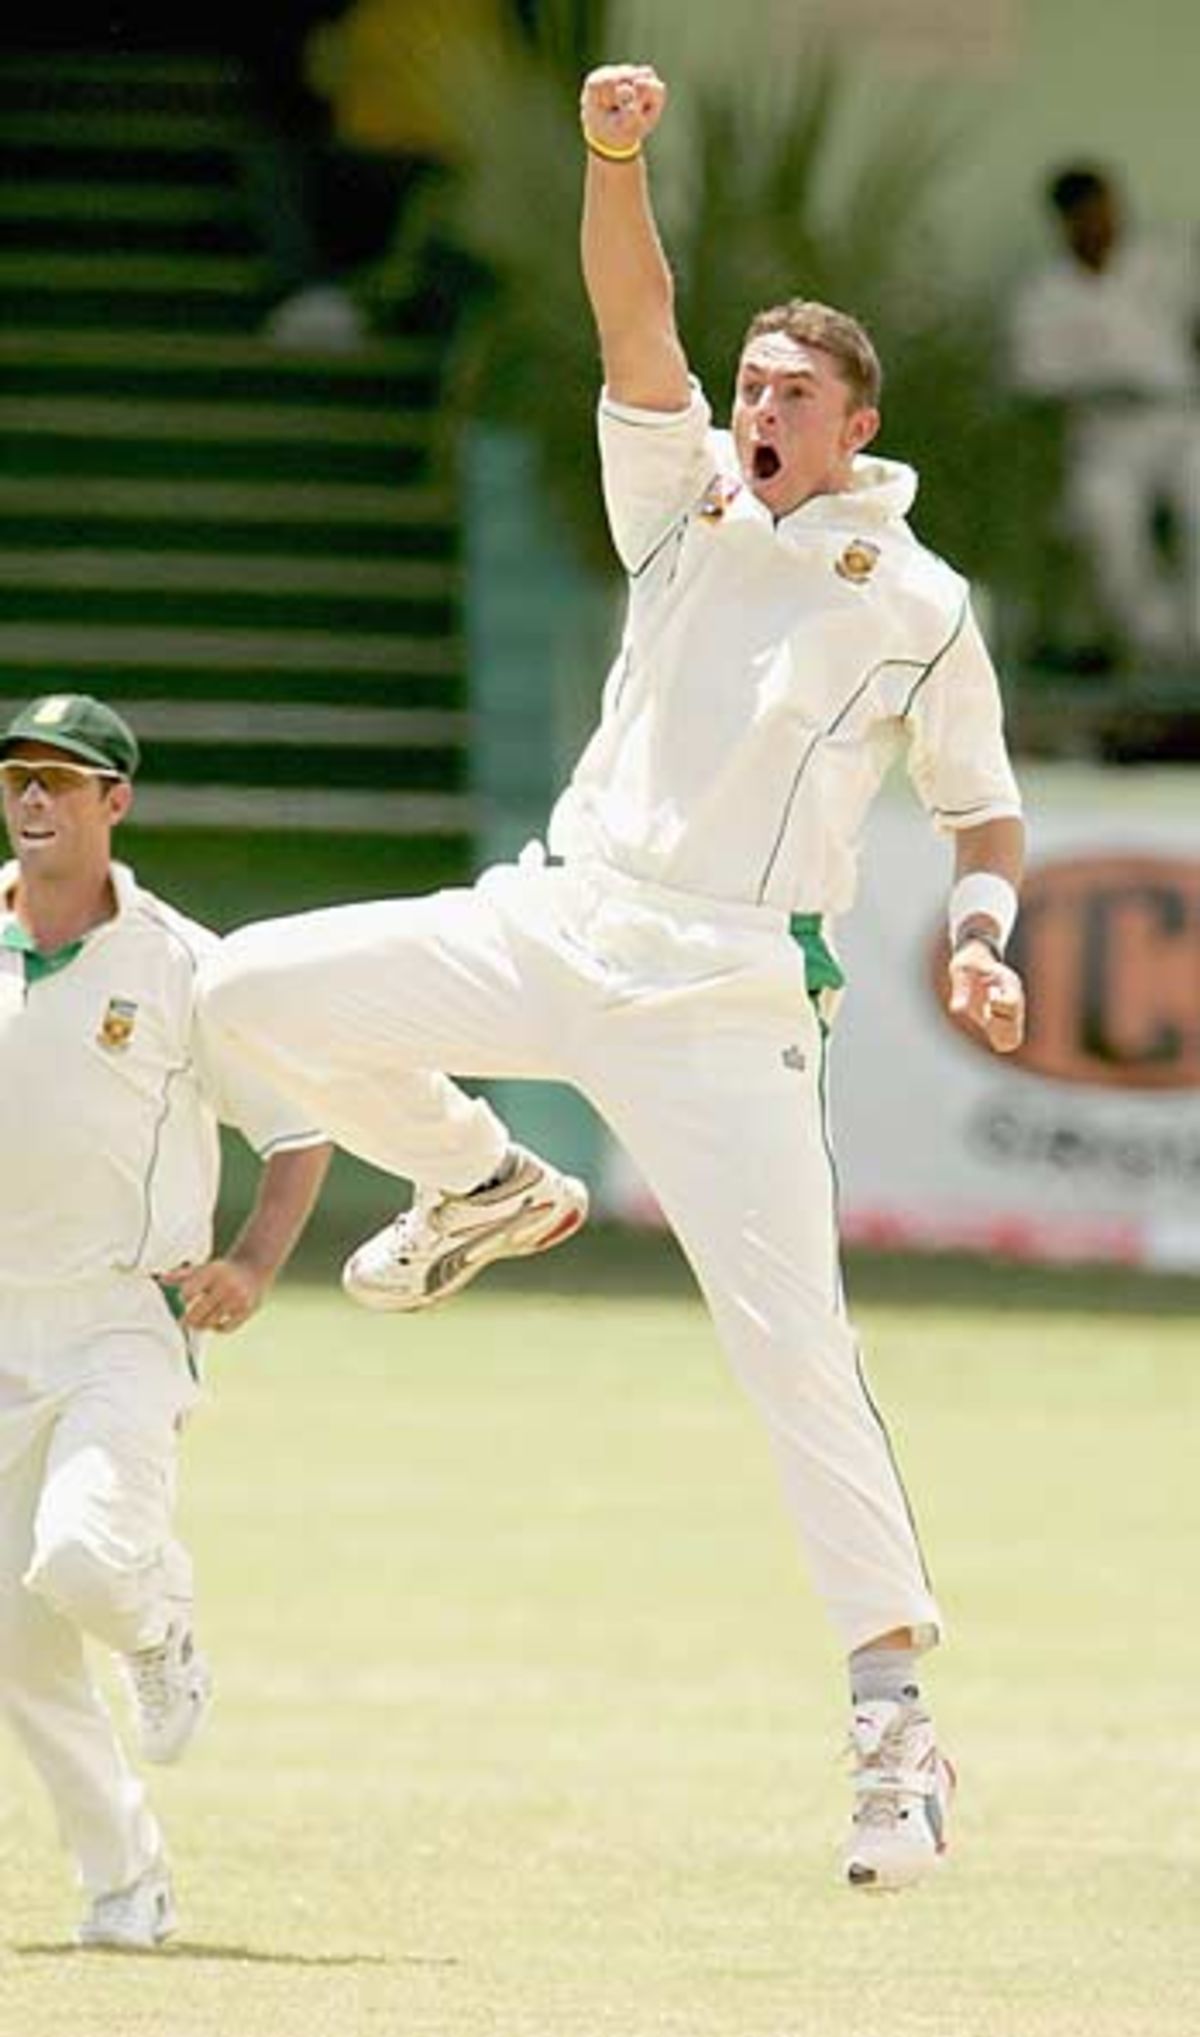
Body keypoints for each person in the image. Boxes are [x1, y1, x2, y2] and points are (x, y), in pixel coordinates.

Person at [199, 61, 1028, 1894]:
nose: (753, 414)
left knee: (793, 1349)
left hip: (728, 1006)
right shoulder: (681, 501)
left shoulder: (918, 600)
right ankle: (482, 1174)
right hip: (552, 916)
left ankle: (896, 1732)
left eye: (789, 397)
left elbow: (983, 817)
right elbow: (629, 311)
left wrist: (983, 937)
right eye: (747, 391)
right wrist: (611, 152)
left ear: (859, 422)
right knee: (244, 994)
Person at [0, 693, 334, 1950]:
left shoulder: (185, 964)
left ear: (114, 803)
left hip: (123, 1320)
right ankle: (124, 1883)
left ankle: (159, 1616)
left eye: (62, 782)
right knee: (19, 1656)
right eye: (20, 778)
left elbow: (296, 1130)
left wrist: (249, 1261)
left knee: (85, 1558)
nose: (35, 801)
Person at [1010, 163, 1200, 668]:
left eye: (1109, 211)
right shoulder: (1045, 294)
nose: (1103, 224)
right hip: (1107, 436)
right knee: (1106, 518)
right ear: (1067, 221)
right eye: (1090, 216)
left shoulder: (1163, 266)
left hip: (1180, 422)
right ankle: (1162, 648)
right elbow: (1033, 380)